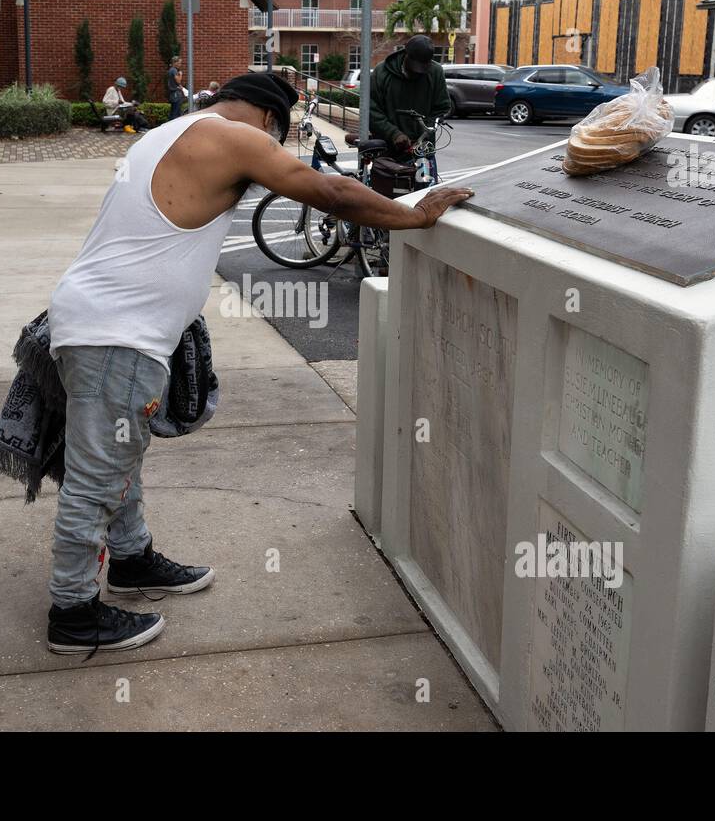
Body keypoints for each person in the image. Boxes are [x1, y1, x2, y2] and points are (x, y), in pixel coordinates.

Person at [43, 72, 473, 654]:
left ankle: (132, 558)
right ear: (269, 119)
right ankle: (72, 615)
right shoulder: (234, 137)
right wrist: (417, 214)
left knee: (120, 457)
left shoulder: (172, 129)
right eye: (280, 132)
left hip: (103, 324)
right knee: (96, 476)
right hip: (116, 335)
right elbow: (332, 193)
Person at [368, 35, 452, 184]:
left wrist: (425, 133)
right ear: (405, 54)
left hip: (422, 149)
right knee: (387, 196)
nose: (417, 73)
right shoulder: (382, 73)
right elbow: (371, 111)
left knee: (425, 191)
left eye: (422, 68)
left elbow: (442, 107)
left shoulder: (435, 72)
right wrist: (393, 133)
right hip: (388, 150)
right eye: (414, 67)